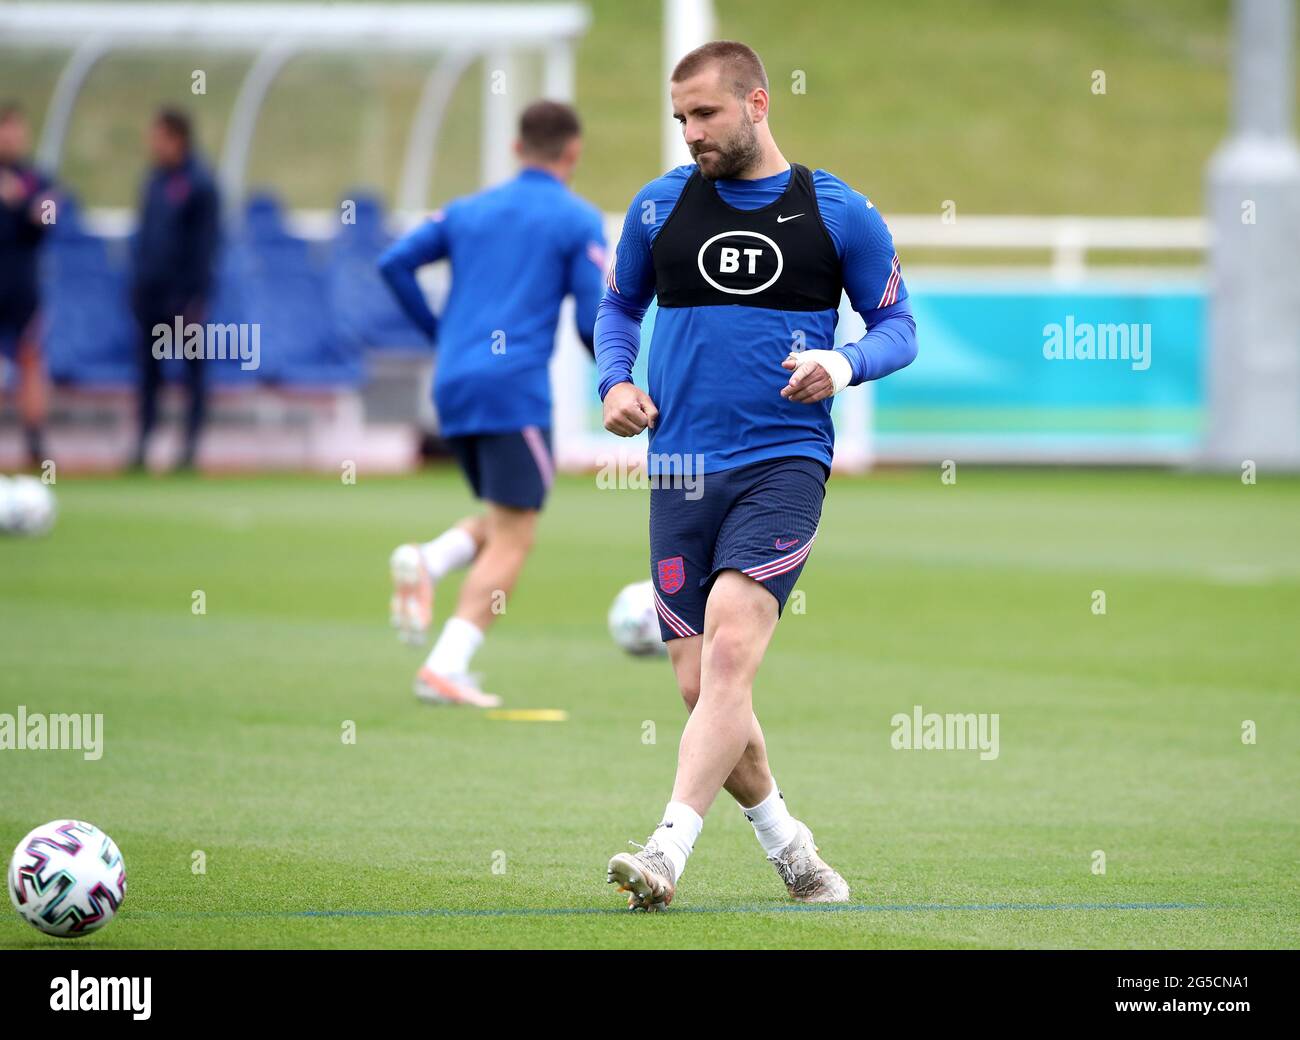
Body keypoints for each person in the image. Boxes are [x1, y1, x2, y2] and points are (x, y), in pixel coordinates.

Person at [596, 41, 918, 909]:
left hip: (783, 460)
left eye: (705, 115)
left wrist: (843, 365)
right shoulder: (660, 207)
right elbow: (618, 306)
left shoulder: (835, 211)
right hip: (680, 469)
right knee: (704, 687)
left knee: (733, 648)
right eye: (681, 119)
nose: (691, 133)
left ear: (758, 104)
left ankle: (666, 850)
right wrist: (615, 379)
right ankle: (791, 847)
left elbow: (898, 325)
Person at [379, 100, 606, 708]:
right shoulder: (576, 219)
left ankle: (430, 558)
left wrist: (439, 334)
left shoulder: (468, 209)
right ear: (573, 153)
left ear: (516, 148)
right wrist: (621, 378)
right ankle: (446, 666)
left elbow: (394, 262)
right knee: (517, 536)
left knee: (506, 516)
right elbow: (591, 320)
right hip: (513, 390)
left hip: (453, 385)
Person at [129, 107, 219, 471]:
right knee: (149, 371)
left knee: (191, 371)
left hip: (185, 297)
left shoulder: (201, 183)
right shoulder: (153, 179)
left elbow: (207, 245)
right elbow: (144, 236)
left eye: (158, 136)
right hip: (149, 294)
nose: (152, 144)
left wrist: (196, 295)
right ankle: (145, 442)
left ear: (177, 138)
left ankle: (190, 446)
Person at [0, 103, 55, 468]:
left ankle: (35, 443)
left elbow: (49, 217)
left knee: (30, 358)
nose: (13, 137)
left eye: (18, 130)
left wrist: (24, 204)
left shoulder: (36, 179)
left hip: (22, 286)